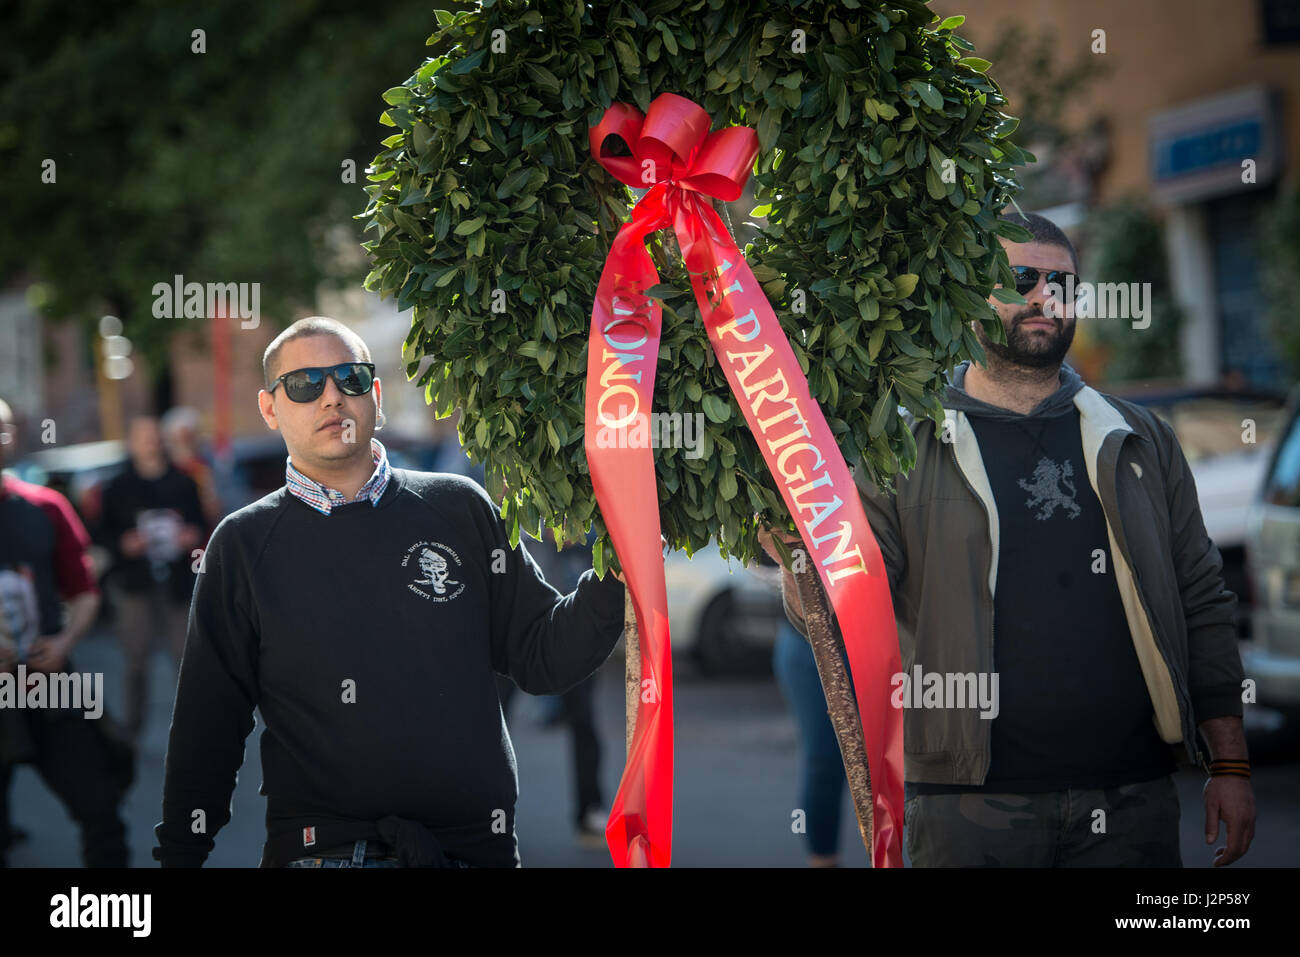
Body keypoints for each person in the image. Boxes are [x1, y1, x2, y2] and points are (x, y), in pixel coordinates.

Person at [772, 212, 1255, 867]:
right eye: (1021, 278)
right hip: (966, 807)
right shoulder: (903, 448)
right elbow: (844, 608)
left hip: (1131, 797)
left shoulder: (1141, 439)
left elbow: (1201, 596)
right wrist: (794, 546)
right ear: (971, 292)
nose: (1043, 297)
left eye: (1061, 282)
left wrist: (1230, 760)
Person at [153, 316, 627, 867]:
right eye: (306, 384)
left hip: (476, 850)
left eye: (350, 378)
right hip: (324, 855)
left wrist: (618, 569)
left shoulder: (460, 507)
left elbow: (542, 654)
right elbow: (206, 725)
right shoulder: (241, 545)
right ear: (269, 408)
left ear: (375, 396)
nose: (332, 396)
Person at [0, 397, 130, 867]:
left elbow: (84, 591)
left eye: (5, 428)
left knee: (102, 810)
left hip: (48, 685)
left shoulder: (46, 507)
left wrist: (66, 642)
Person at [496, 528, 607, 850]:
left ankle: (591, 810)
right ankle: (490, 815)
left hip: (571, 624)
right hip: (514, 624)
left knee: (584, 721)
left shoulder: (583, 481)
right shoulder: (491, 482)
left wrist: (574, 534)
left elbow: (601, 535)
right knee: (493, 723)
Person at [98, 415, 205, 741]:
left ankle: (195, 728)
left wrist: (192, 536)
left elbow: (204, 525)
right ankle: (132, 731)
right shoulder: (117, 488)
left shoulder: (184, 483)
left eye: (153, 435)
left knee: (186, 658)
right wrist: (123, 544)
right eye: (141, 436)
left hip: (176, 583)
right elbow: (101, 534)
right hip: (135, 584)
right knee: (135, 661)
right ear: (131, 442)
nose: (149, 442)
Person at [772, 619, 849, 867]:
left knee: (896, 760)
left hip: (887, 630)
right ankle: (823, 859)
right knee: (822, 761)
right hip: (810, 639)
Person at [160, 406, 221, 531]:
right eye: (179, 440)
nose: (184, 445)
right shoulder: (163, 469)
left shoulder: (204, 467)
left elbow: (214, 508)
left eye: (188, 438)